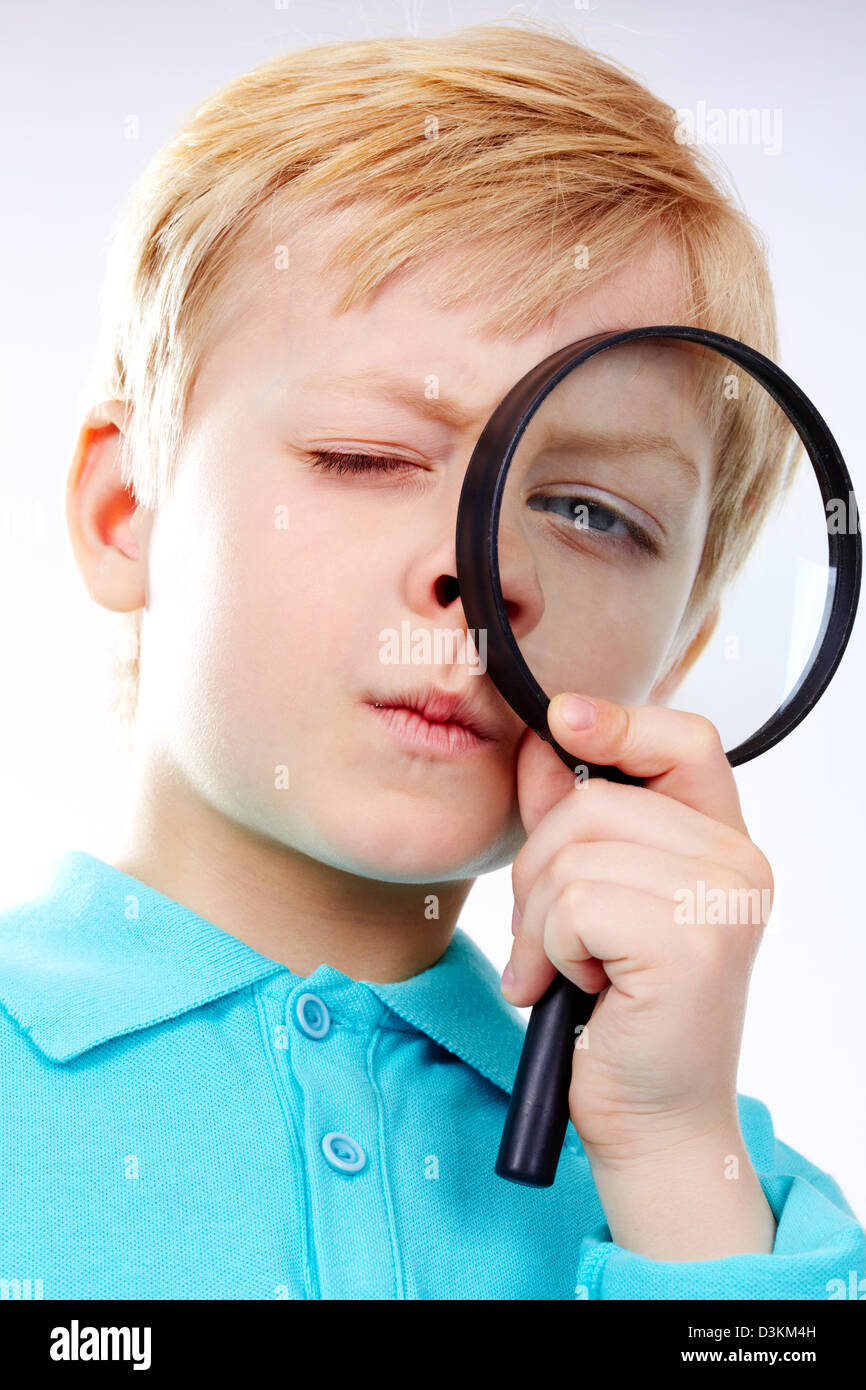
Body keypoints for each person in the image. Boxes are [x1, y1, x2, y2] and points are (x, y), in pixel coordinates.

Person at [1, 20, 862, 1300]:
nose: (483, 568)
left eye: (590, 513)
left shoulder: (737, 1209)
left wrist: (675, 1180)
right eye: (363, 457)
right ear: (129, 509)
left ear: (671, 663)